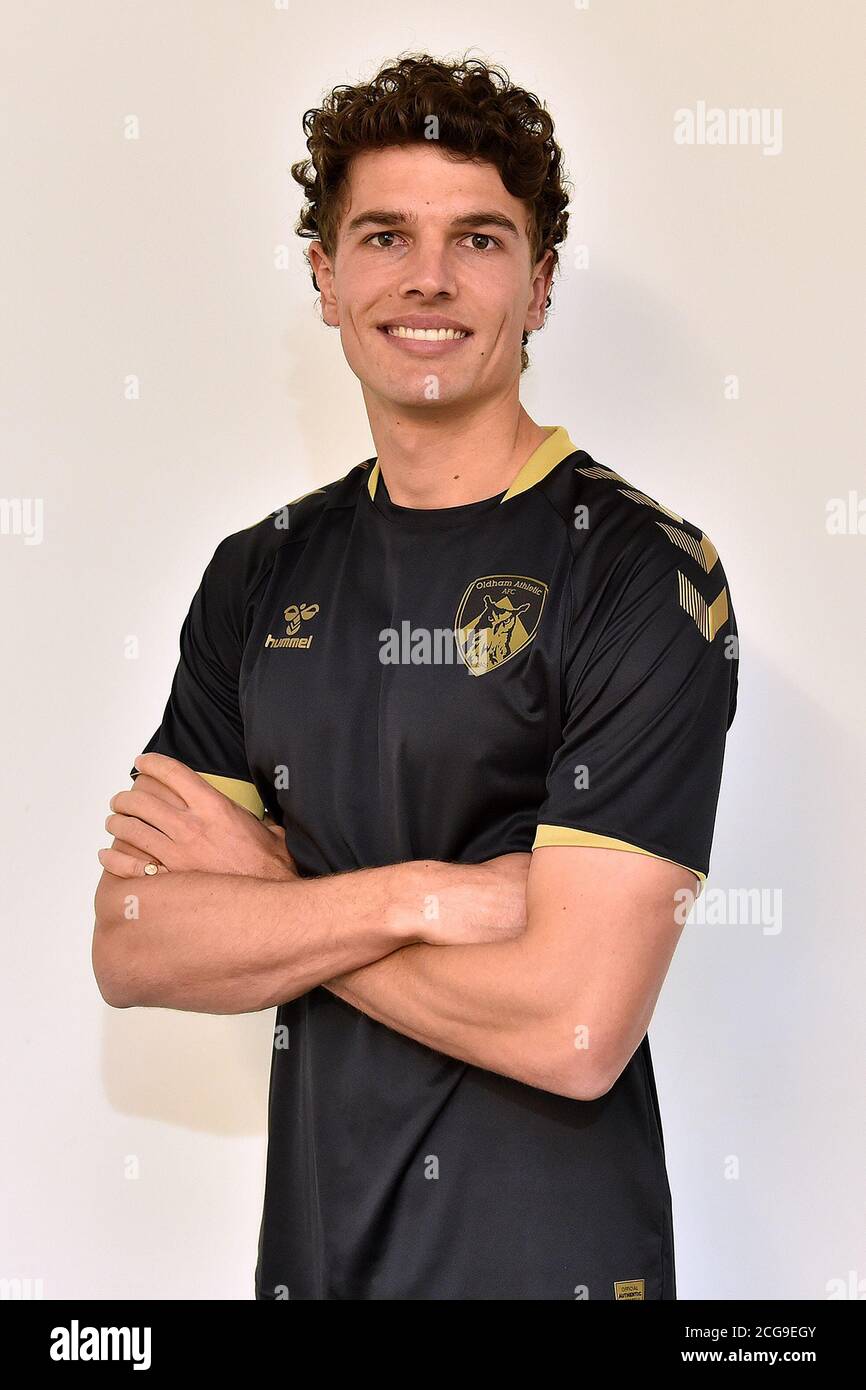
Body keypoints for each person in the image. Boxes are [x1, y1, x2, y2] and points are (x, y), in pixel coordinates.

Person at [92, 52, 739, 1301]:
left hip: (549, 1267)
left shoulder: (642, 576)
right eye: (384, 235)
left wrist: (278, 896)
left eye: (480, 239)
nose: (427, 278)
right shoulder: (255, 577)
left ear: (539, 285)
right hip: (317, 1262)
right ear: (326, 280)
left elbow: (575, 1027)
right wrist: (427, 895)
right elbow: (133, 946)